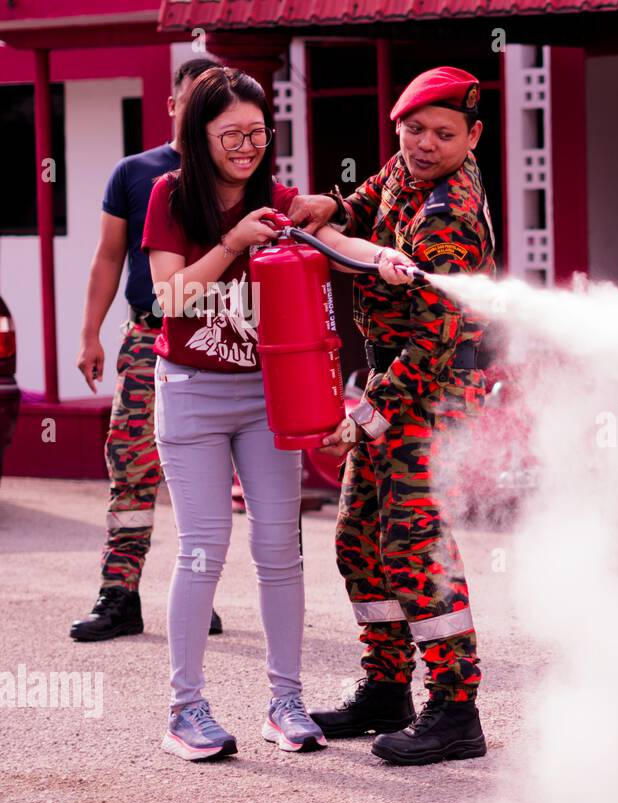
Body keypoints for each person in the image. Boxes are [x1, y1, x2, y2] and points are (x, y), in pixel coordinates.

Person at [143, 66, 413, 761]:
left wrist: (381, 257)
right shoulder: (169, 197)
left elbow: (335, 246)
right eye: (230, 134)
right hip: (193, 394)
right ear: (197, 134)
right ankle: (186, 711)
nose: (246, 147)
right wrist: (233, 245)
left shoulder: (279, 198)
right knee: (202, 552)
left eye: (258, 134)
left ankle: (285, 704)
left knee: (280, 552)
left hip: (269, 398)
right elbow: (168, 300)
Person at [293, 66, 496, 766]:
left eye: (444, 133)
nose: (425, 143)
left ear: (473, 137)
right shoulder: (402, 171)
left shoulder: (450, 214)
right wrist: (329, 207)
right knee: (357, 537)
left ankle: (455, 709)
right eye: (414, 129)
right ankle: (385, 688)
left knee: (414, 545)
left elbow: (438, 336)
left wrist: (369, 413)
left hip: (432, 390)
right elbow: (363, 201)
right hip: (393, 375)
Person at [70, 57, 225, 643]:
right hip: (149, 339)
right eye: (195, 102)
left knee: (201, 476)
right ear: (173, 106)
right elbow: (109, 256)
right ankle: (119, 596)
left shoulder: (235, 172)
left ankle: (197, 592)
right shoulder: (135, 173)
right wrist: (90, 333)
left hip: (219, 337)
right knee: (132, 466)